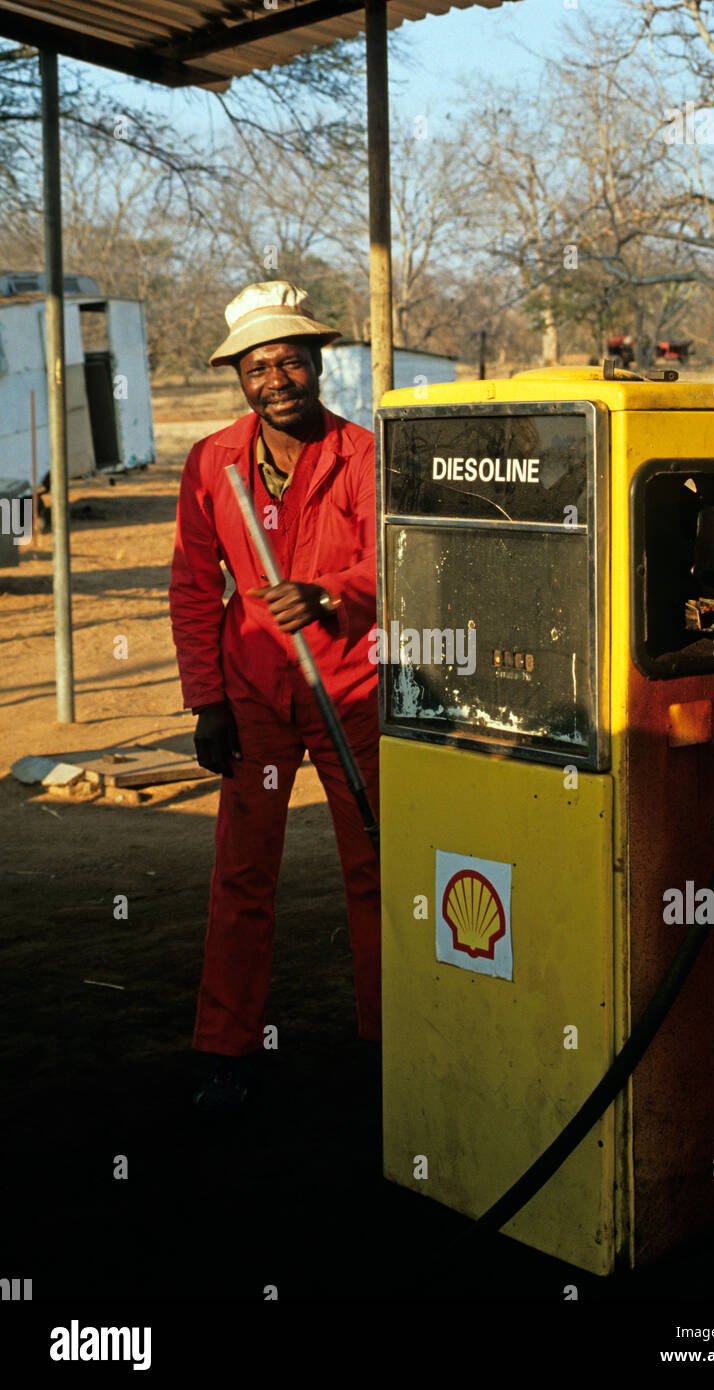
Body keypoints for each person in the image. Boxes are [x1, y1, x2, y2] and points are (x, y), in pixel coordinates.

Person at [169, 280, 380, 1113]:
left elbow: (400, 562)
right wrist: (206, 700)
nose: (277, 379)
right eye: (259, 368)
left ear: (316, 363)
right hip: (252, 696)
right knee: (242, 875)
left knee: (374, 865)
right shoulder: (212, 462)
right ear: (240, 379)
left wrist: (332, 595)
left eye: (291, 361)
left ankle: (385, 1037)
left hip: (350, 691)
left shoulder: (365, 455)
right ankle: (227, 1049)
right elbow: (192, 584)